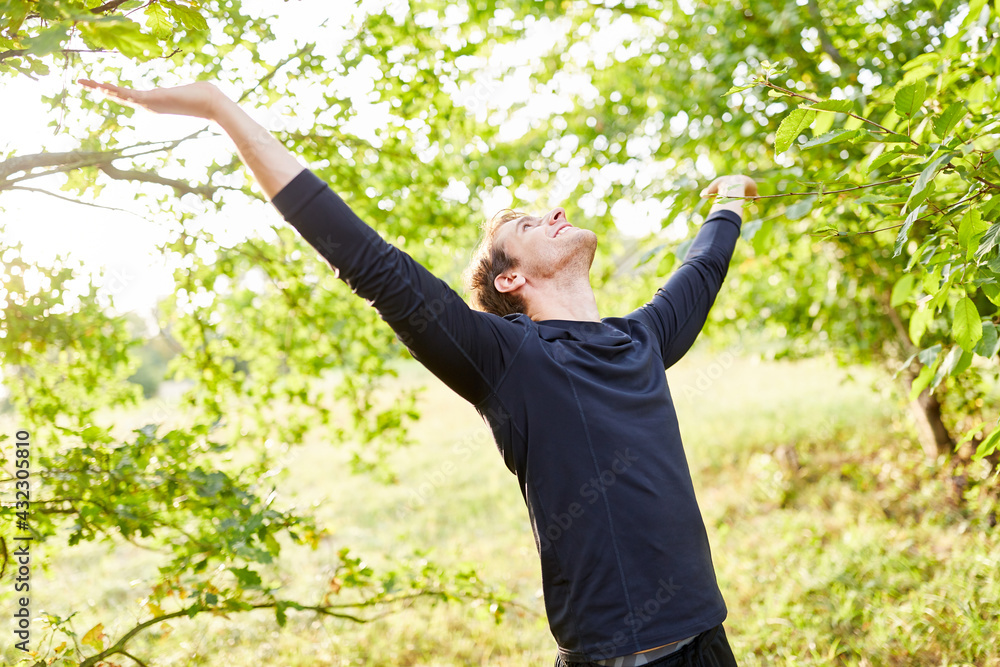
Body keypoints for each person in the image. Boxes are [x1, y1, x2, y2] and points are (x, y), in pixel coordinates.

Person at [79, 78, 756, 667]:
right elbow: (367, 258)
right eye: (527, 224)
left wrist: (727, 200)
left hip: (707, 634)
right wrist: (218, 107)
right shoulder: (506, 360)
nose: (554, 213)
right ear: (511, 279)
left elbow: (701, 268)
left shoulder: (640, 339)